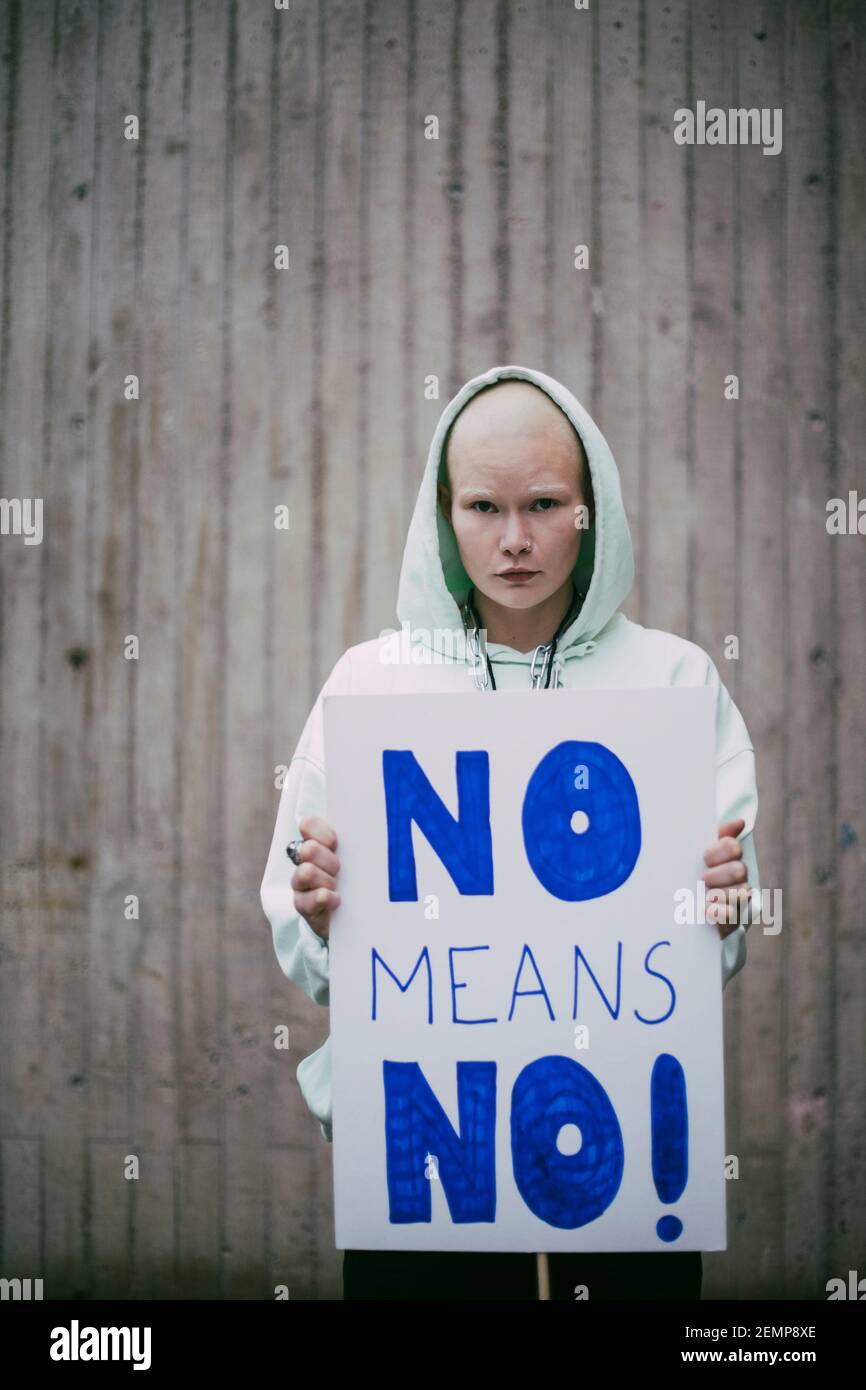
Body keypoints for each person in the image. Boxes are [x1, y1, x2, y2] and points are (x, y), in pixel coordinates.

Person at [260, 364, 760, 1301]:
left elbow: (705, 954)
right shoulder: (372, 686)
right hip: (432, 1165)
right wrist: (325, 914)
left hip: (620, 1161)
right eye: (484, 507)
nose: (517, 540)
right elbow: (304, 934)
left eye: (545, 504)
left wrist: (726, 910)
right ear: (444, 512)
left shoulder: (676, 685)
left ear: (591, 511)